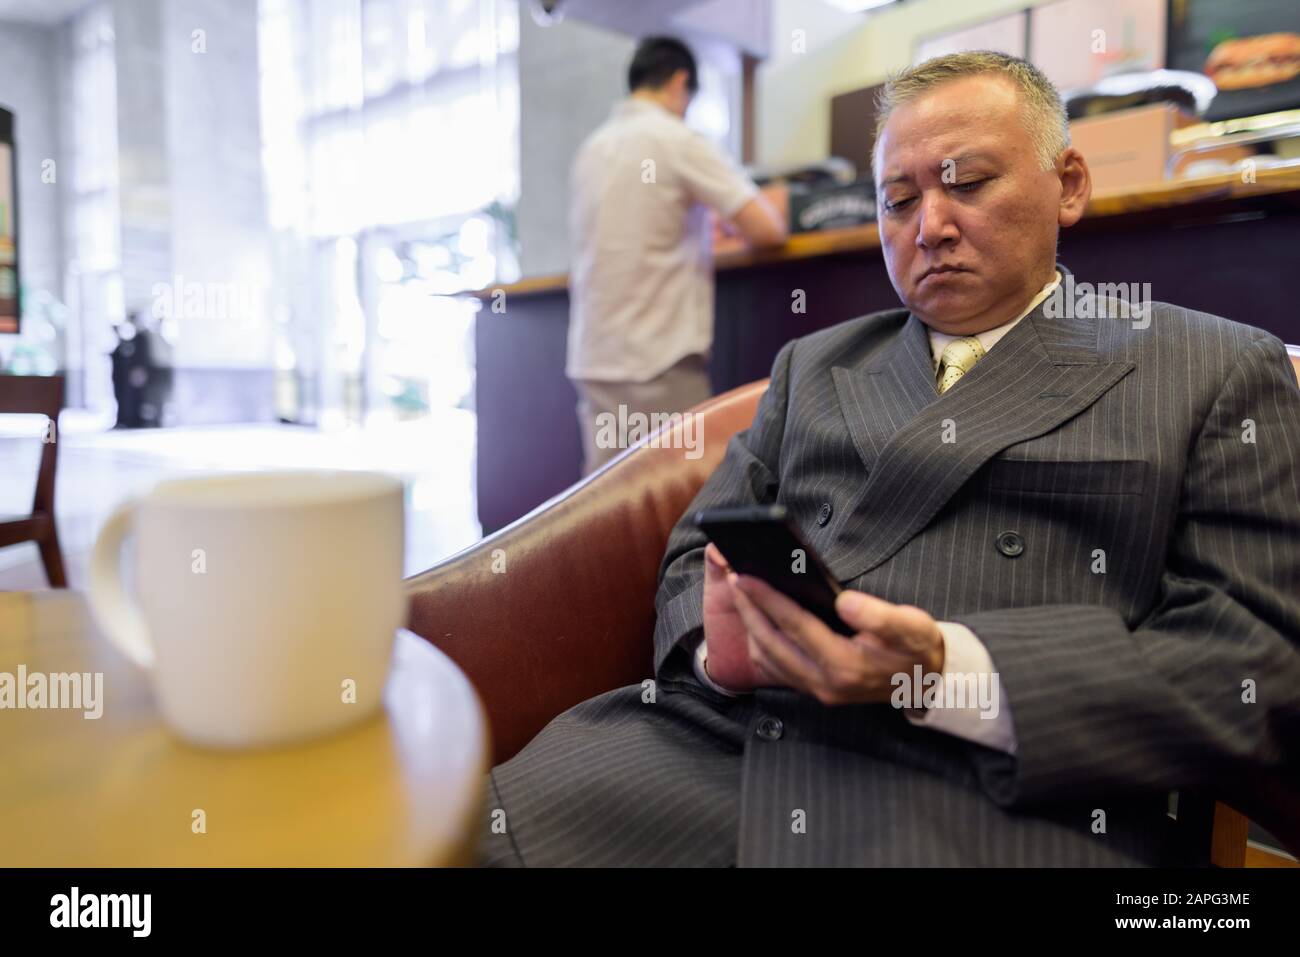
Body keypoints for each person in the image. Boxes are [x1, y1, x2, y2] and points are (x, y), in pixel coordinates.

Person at [479, 51, 1300, 866]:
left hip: (1000, 798)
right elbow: (697, 549)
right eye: (898, 199)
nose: (929, 226)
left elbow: (1254, 669)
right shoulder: (813, 365)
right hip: (722, 750)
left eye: (968, 183)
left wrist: (947, 672)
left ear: (1070, 183)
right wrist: (717, 650)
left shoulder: (1209, 369)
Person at [567, 36, 787, 476]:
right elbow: (767, 230)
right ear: (681, 81)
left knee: (604, 507)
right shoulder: (675, 138)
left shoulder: (591, 149)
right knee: (675, 502)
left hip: (595, 358)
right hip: (657, 358)